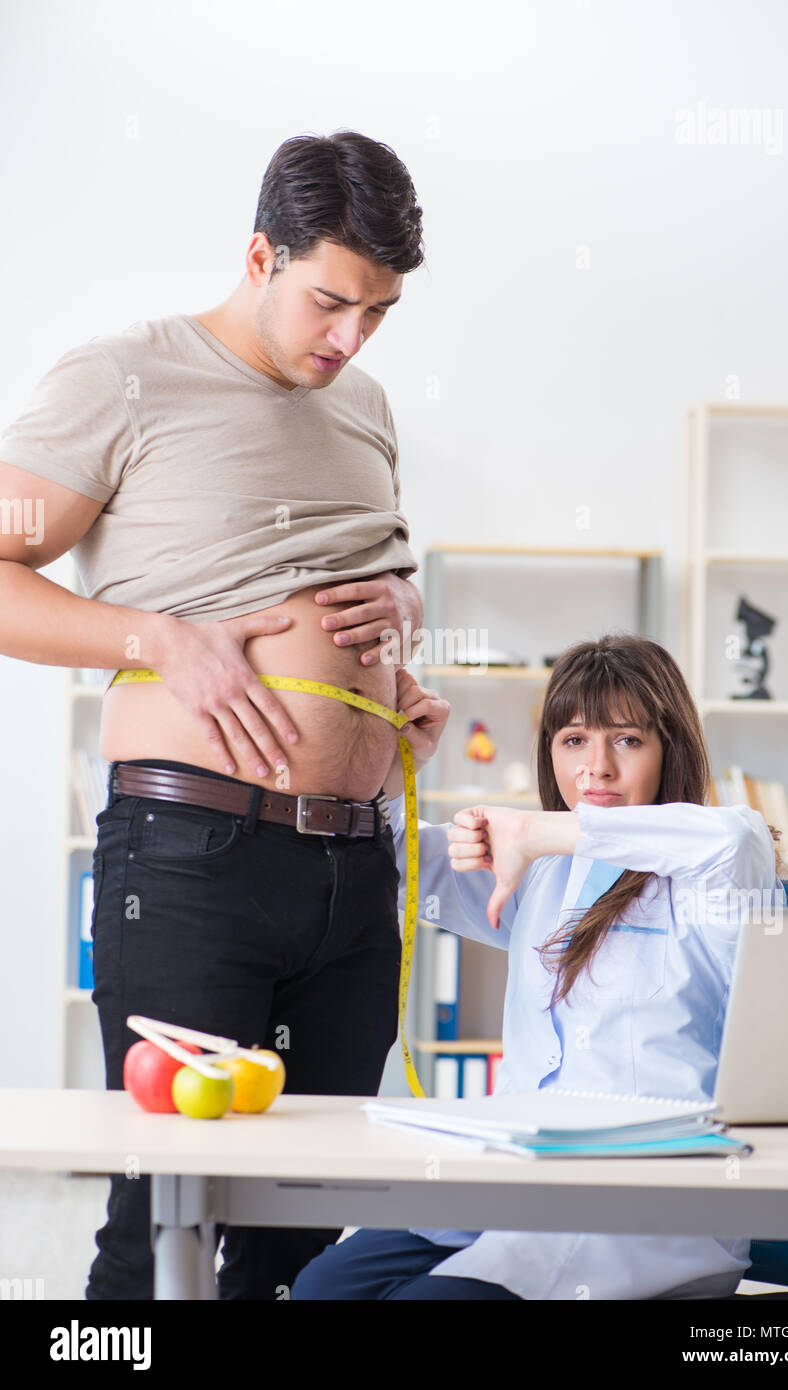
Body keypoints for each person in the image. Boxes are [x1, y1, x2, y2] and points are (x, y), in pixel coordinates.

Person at [0, 130, 428, 1299]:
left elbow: (354, 582)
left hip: (355, 871)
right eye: (331, 302)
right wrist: (158, 639)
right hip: (193, 859)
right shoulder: (123, 376)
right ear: (259, 254)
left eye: (379, 312)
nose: (350, 339)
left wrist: (399, 665)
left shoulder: (367, 405)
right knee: (166, 1210)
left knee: (302, 1225)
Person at [291, 633, 788, 1301]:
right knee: (324, 1286)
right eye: (573, 740)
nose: (597, 768)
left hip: (648, 1202)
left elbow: (730, 837)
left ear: (671, 746)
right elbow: (389, 858)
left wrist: (536, 832)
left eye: (628, 740)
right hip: (520, 1175)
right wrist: (395, 760)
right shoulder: (541, 873)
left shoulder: (716, 869)